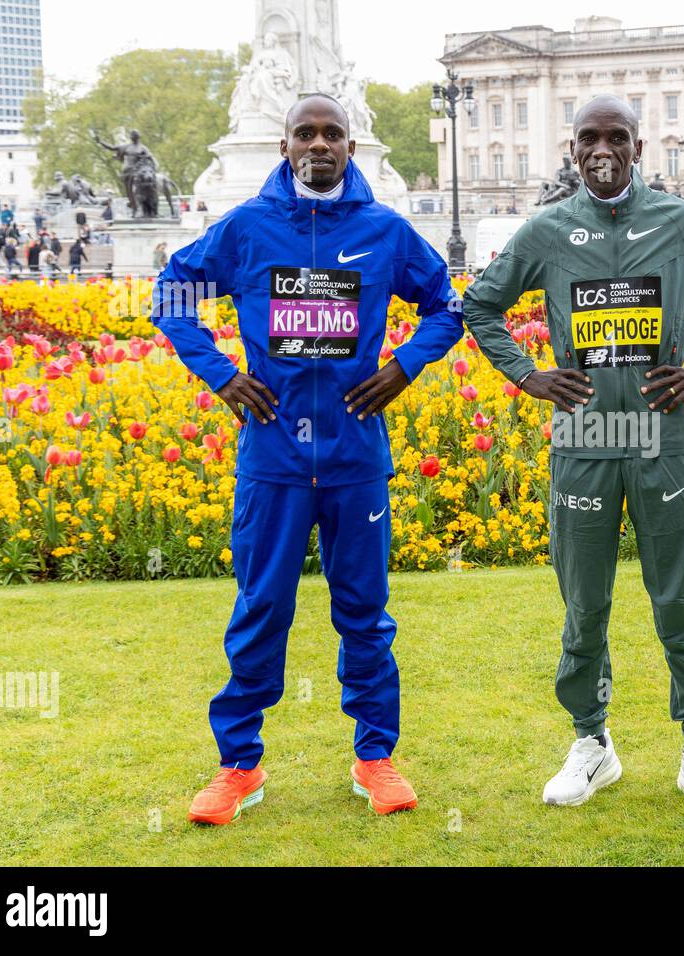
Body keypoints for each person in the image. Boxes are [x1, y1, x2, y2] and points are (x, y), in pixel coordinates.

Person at [151, 93, 464, 826]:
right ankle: (238, 768)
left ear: (350, 148)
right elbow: (172, 293)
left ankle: (375, 758)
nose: (319, 145)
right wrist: (222, 374)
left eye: (333, 134)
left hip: (355, 458)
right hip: (274, 461)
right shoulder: (247, 231)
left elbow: (446, 306)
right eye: (305, 134)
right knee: (261, 609)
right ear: (284, 146)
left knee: (365, 614)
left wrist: (406, 365)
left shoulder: (384, 232)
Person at [464, 95, 684, 816]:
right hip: (583, 442)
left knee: (677, 599)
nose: (601, 150)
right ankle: (591, 743)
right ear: (571, 151)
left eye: (616, 138)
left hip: (657, 438)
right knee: (585, 604)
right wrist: (528, 374)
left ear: (639, 147)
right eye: (587, 139)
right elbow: (479, 305)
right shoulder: (545, 231)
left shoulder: (677, 222)